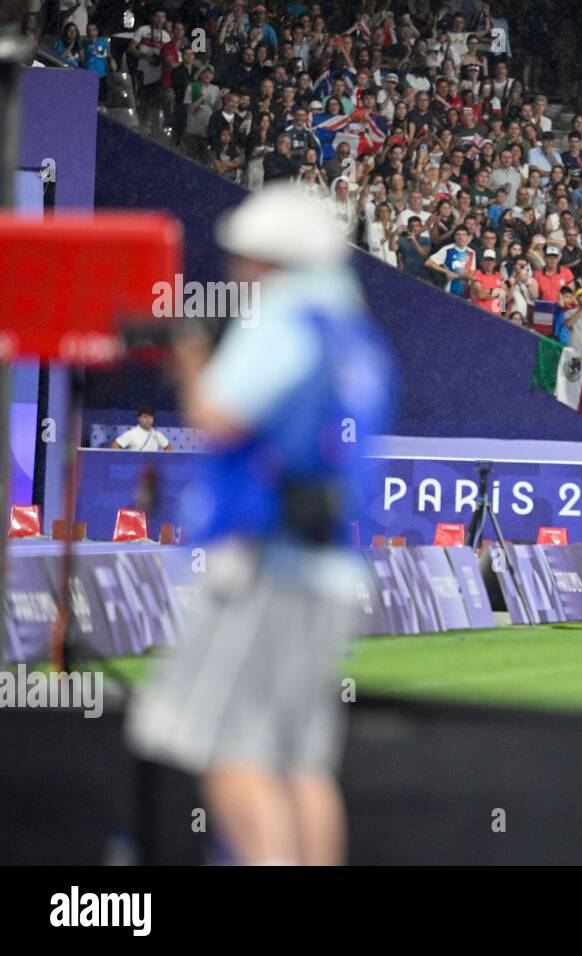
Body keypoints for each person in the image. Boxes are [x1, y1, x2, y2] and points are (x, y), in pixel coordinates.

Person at [127, 184, 394, 866]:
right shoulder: (354, 336)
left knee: (226, 743)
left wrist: (187, 360)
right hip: (330, 564)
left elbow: (219, 415)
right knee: (299, 757)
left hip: (265, 560)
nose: (236, 271)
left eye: (247, 257)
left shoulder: (281, 318)